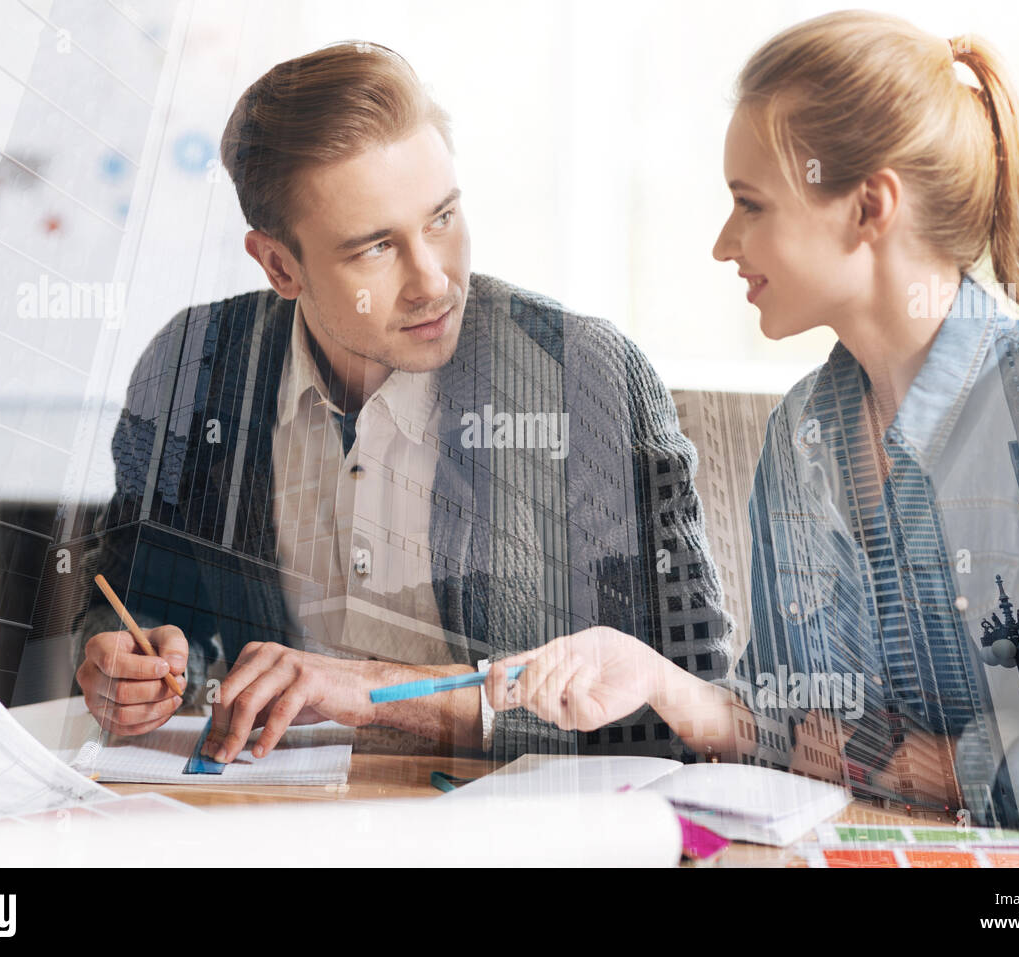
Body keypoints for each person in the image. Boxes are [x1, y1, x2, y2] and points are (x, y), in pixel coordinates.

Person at [488, 10, 1019, 836]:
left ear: (869, 207)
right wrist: (659, 680)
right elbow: (789, 731)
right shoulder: (800, 434)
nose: (722, 244)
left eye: (750, 205)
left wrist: (903, 761)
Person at [69, 43, 730, 764]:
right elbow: (128, 592)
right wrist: (119, 656)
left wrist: (381, 689)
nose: (433, 281)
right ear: (279, 265)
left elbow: (691, 704)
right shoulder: (191, 367)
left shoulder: (585, 377)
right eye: (376, 247)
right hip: (257, 815)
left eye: (442, 218)